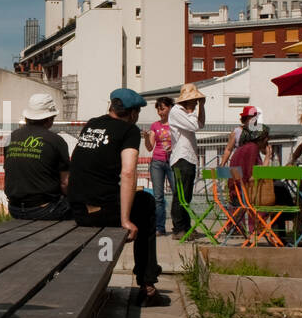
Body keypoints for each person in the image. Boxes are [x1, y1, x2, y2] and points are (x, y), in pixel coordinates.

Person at [71, 88, 169, 306]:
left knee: (137, 200)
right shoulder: (129, 131)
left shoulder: (92, 124)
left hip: (77, 209)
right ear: (132, 113)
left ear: (111, 106)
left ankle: (147, 281)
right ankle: (148, 286)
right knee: (146, 203)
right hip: (100, 212)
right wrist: (125, 220)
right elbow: (128, 172)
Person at [3, 93, 71, 219]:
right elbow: (65, 184)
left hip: (14, 208)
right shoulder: (56, 141)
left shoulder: (11, 137)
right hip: (45, 209)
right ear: (50, 118)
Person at [160, 84, 207, 238]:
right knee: (180, 195)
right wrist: (193, 111)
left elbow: (200, 124)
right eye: (194, 100)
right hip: (182, 157)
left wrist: (201, 107)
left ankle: (185, 227)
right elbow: (194, 126)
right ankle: (179, 228)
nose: (195, 103)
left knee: (185, 196)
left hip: (188, 157)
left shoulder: (185, 112)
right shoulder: (177, 111)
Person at [143, 96, 176, 235]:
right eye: (158, 109)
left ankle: (179, 226)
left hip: (173, 162)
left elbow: (181, 142)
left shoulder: (176, 124)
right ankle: (160, 227)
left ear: (170, 108)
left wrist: (173, 148)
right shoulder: (155, 126)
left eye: (162, 108)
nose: (160, 111)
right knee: (158, 197)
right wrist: (146, 137)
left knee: (177, 194)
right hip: (157, 162)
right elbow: (150, 147)